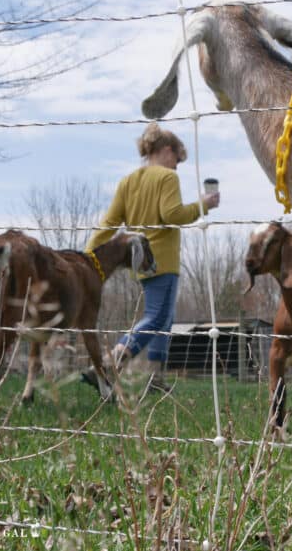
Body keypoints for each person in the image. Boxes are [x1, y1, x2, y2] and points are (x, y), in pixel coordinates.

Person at [82, 123, 220, 393]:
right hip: (162, 260)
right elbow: (172, 214)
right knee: (156, 317)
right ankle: (112, 361)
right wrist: (204, 204)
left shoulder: (128, 181)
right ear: (167, 150)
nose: (176, 167)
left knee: (164, 320)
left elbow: (110, 222)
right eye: (177, 161)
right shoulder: (167, 178)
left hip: (138, 260)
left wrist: (88, 255)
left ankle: (156, 378)